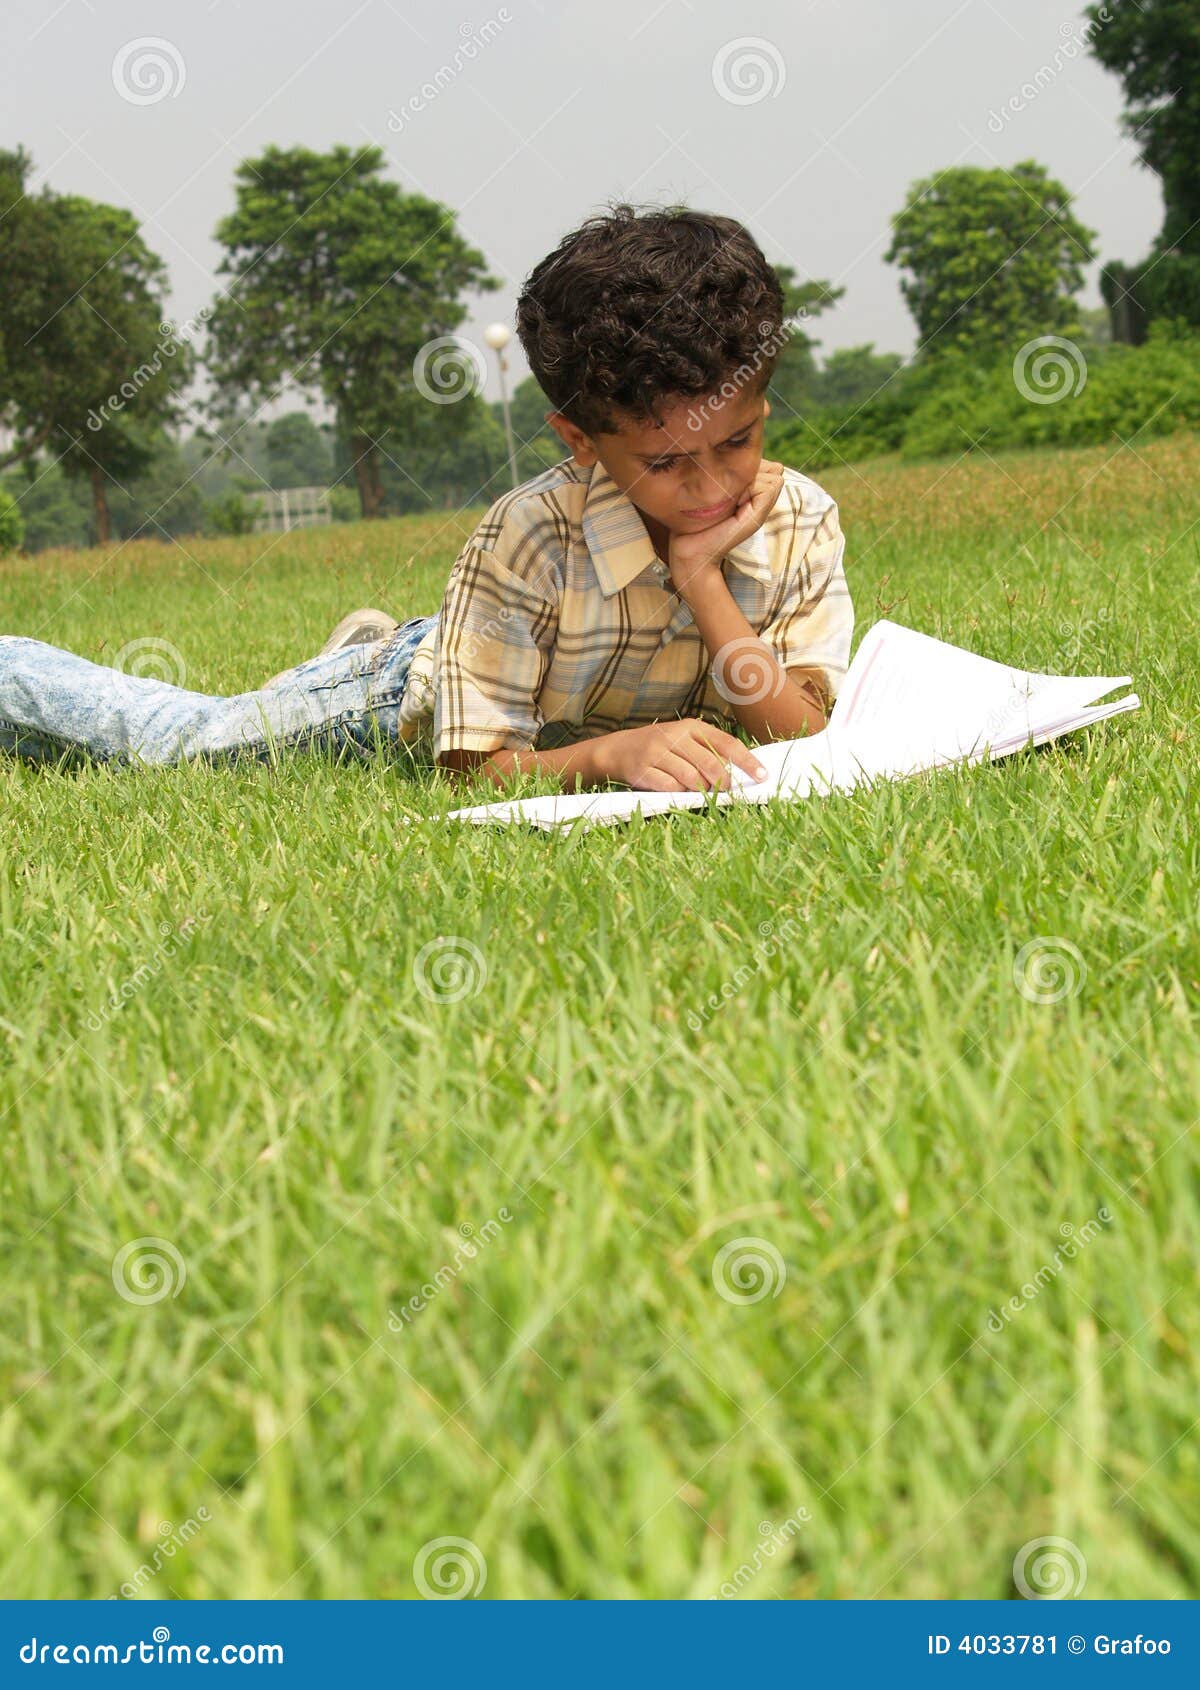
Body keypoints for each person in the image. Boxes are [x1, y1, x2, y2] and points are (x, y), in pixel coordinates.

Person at [0, 202, 853, 796]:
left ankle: (388, 640)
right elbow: (473, 769)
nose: (709, 487)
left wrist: (705, 584)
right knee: (178, 745)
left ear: (762, 403)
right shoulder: (531, 536)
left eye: (737, 442)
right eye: (667, 463)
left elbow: (803, 735)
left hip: (508, 676)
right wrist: (611, 757)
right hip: (399, 705)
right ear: (580, 440)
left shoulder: (801, 519)